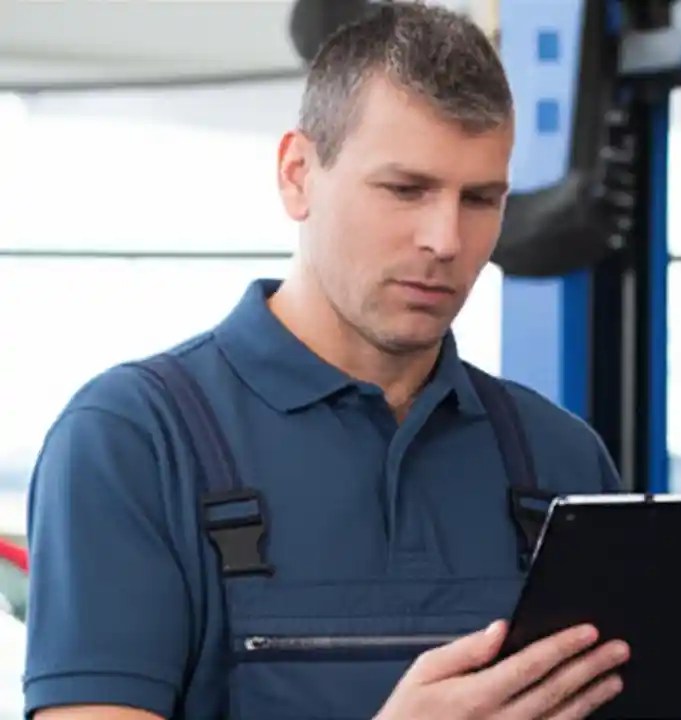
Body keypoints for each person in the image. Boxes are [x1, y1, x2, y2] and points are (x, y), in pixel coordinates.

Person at [23, 5, 629, 719]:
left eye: (480, 199)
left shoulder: (561, 463)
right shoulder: (134, 442)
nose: (444, 238)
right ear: (297, 174)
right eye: (406, 190)